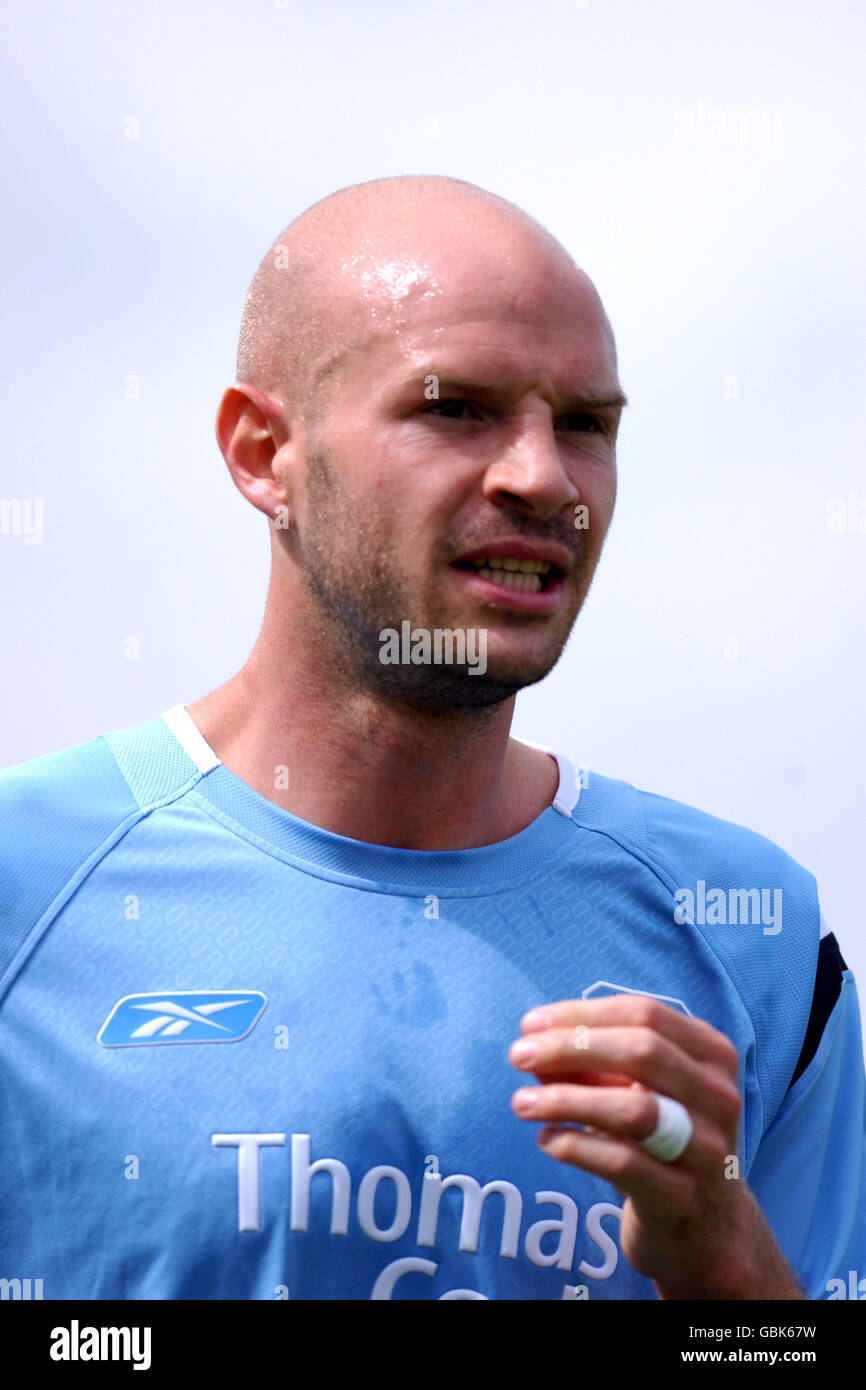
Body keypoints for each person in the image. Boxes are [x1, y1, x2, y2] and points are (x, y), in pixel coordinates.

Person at [1, 174, 863, 1302]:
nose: (543, 478)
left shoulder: (752, 935)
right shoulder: (29, 879)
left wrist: (728, 1264)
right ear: (263, 453)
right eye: (455, 408)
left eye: (586, 425)